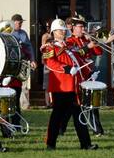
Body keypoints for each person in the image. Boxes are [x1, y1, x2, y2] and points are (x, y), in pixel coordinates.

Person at [41, 21, 96, 150]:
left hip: (73, 86)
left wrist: (90, 72)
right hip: (60, 87)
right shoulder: (49, 47)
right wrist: (66, 69)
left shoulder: (69, 46)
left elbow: (79, 61)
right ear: (54, 32)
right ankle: (50, 143)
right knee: (57, 116)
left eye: (64, 30)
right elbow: (50, 63)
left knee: (79, 115)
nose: (63, 32)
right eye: (61, 30)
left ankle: (86, 144)